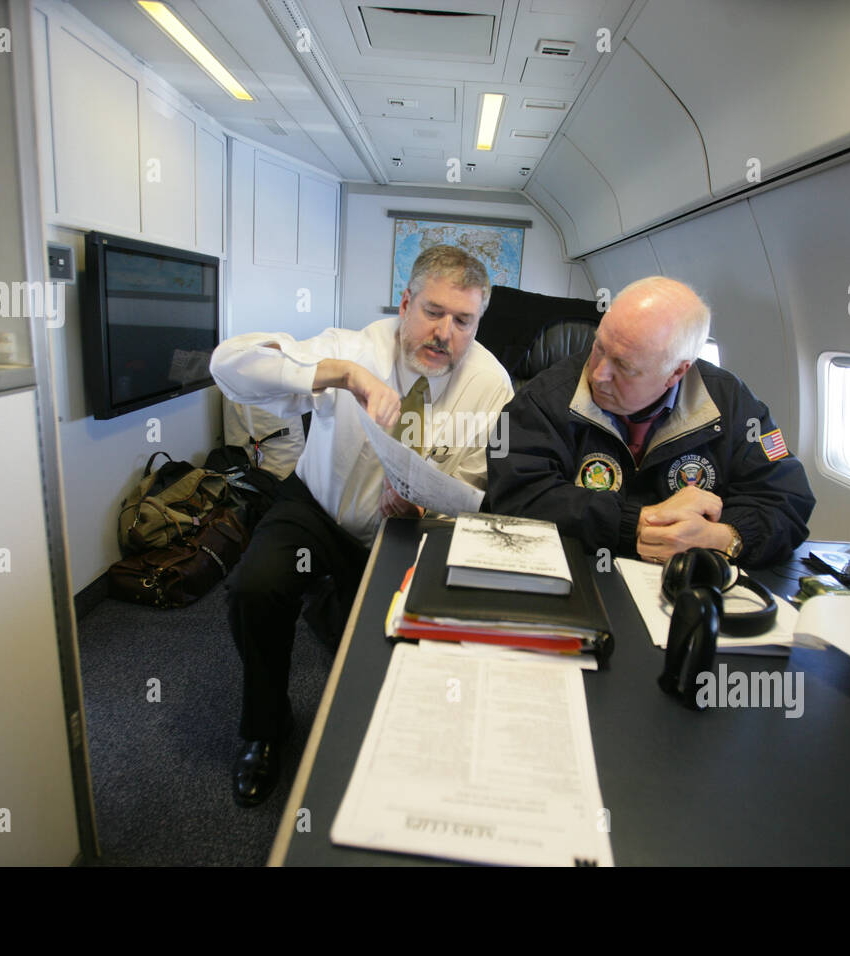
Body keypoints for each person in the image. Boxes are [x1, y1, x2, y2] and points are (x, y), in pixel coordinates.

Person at [209, 245, 514, 807]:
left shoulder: (491, 383)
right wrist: (344, 376)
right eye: (432, 311)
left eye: (463, 320)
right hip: (318, 506)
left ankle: (372, 738)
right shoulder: (355, 347)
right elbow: (228, 365)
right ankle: (264, 728)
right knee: (255, 588)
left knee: (386, 647)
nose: (445, 332)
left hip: (401, 531)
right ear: (405, 302)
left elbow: (472, 481)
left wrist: (423, 507)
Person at [484, 276, 815, 568]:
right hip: (585, 577)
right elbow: (518, 497)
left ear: (676, 372)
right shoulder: (545, 398)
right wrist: (637, 523)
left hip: (689, 584)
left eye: (624, 366)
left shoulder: (730, 404)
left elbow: (787, 499)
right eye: (599, 347)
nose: (598, 375)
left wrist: (723, 537)